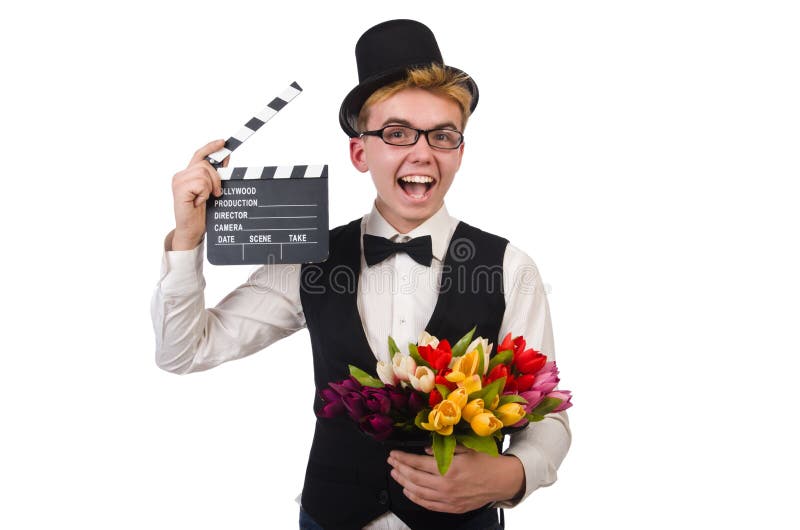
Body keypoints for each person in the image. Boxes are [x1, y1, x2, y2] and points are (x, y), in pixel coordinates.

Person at [152, 19, 571, 530]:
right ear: (359, 151)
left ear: (460, 151)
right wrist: (188, 236)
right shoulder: (309, 258)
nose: (422, 152)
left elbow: (547, 413)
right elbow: (184, 350)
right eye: (397, 133)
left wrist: (510, 476)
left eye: (441, 135)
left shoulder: (510, 267)